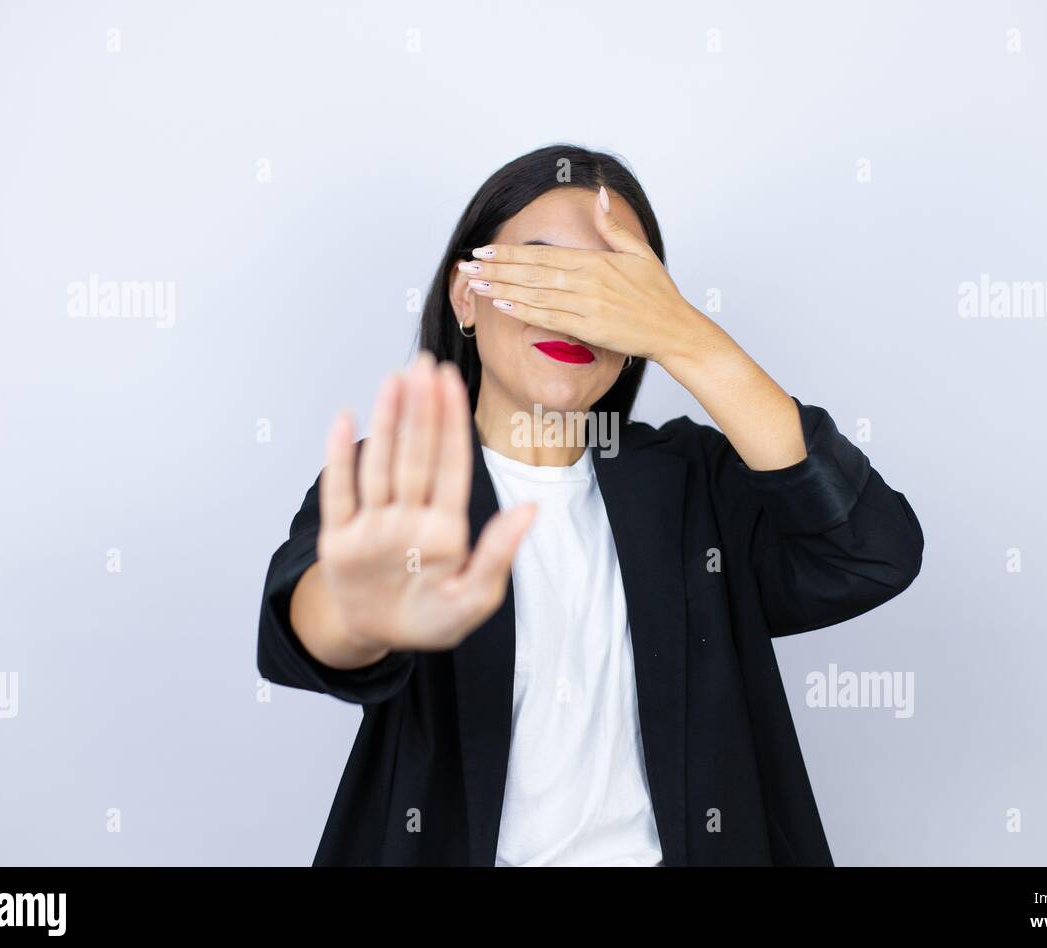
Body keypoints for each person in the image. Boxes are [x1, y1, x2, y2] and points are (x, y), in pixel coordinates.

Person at [256, 144, 925, 865]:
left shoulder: (693, 485)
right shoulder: (399, 480)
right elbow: (301, 629)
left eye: (609, 290)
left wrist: (688, 339)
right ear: (466, 296)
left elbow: (871, 550)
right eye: (542, 274)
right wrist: (358, 613)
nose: (574, 314)